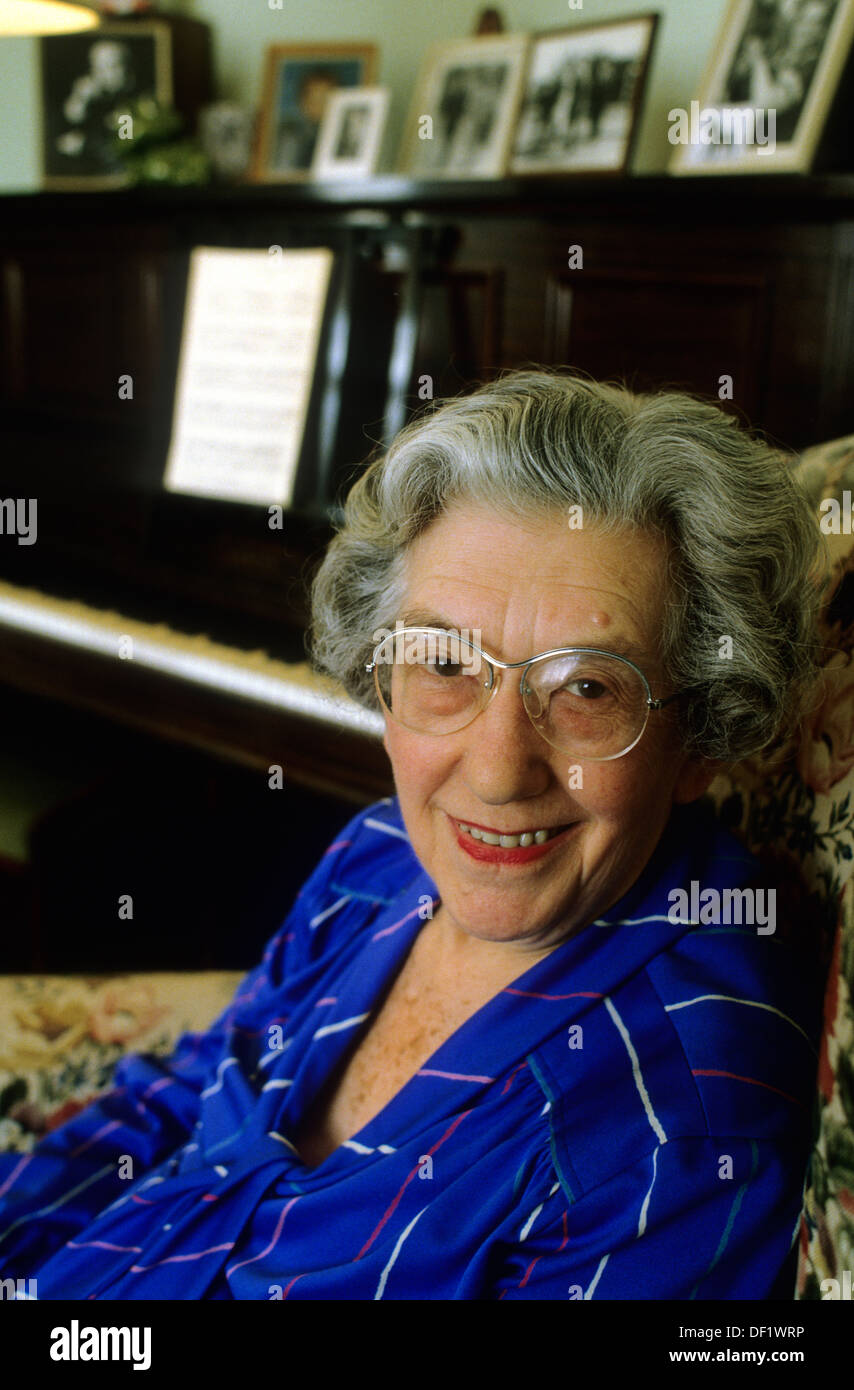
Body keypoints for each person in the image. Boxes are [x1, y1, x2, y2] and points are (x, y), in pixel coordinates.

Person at [0, 371, 825, 1299]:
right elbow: (196, 1086)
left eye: (588, 688)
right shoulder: (379, 853)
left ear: (700, 741)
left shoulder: (676, 1134)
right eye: (442, 662)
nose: (496, 769)